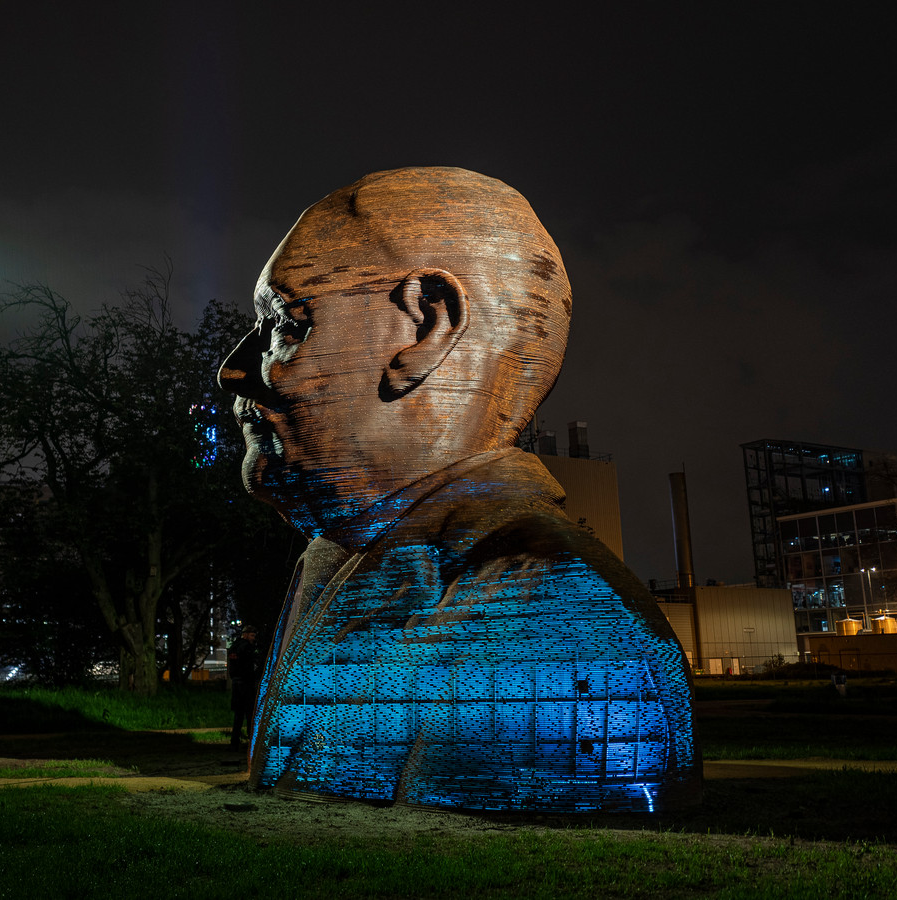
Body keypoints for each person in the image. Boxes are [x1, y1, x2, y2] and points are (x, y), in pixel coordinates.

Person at [217, 167, 701, 813]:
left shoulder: (559, 610)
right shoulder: (333, 560)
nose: (232, 370)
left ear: (427, 327)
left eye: (286, 324)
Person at [227, 625, 261, 749]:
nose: (253, 638)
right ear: (245, 635)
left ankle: (234, 741)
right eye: (252, 635)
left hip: (236, 684)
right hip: (247, 684)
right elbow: (253, 664)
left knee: (238, 714)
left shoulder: (234, 647)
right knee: (250, 713)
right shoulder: (248, 648)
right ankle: (252, 741)